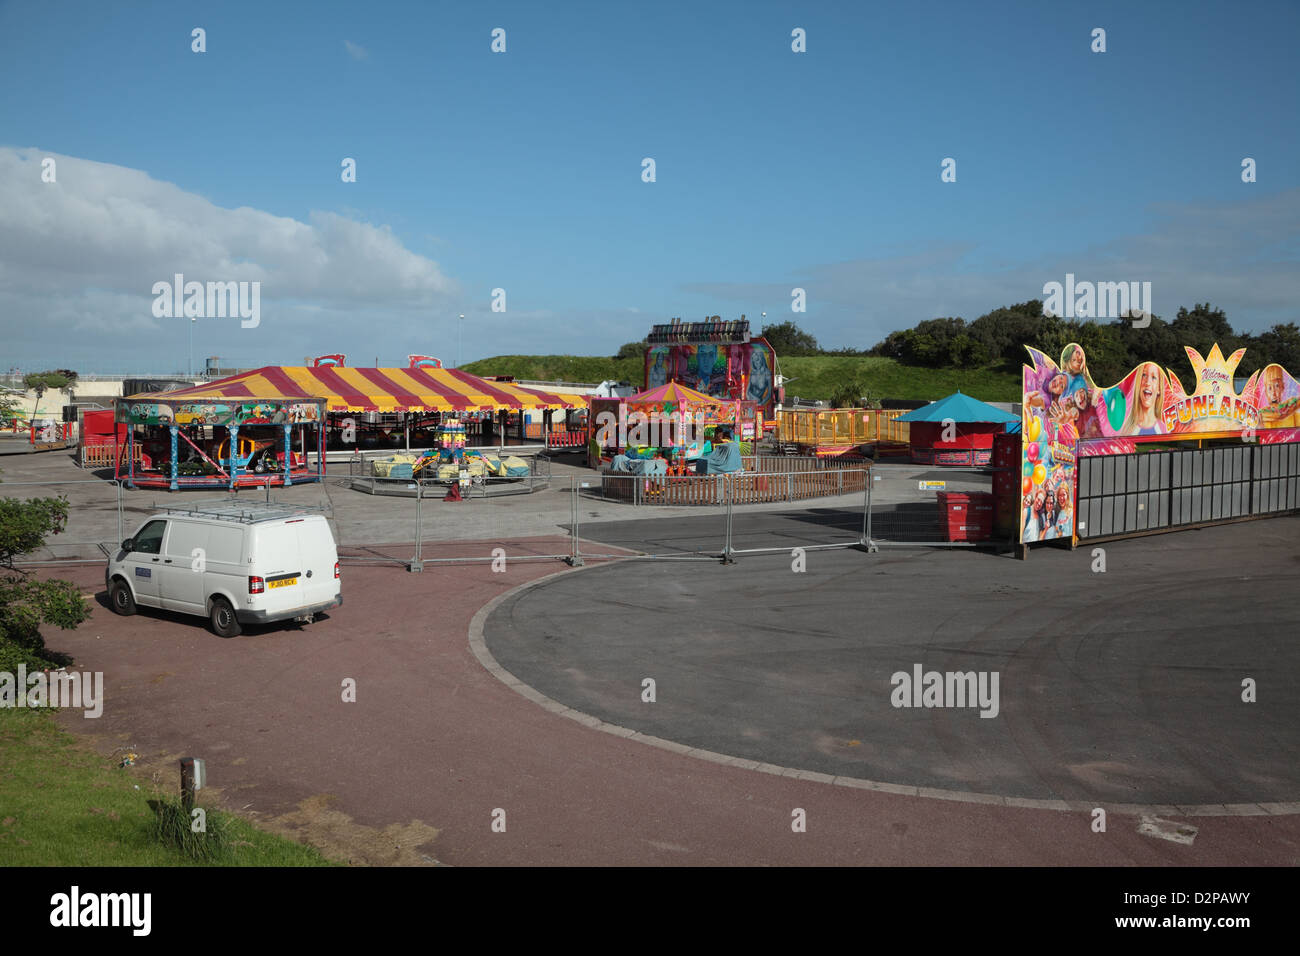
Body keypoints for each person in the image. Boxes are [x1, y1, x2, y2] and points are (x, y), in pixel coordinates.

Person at [1119, 362, 1166, 436]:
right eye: (1144, 375)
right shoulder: (1127, 429)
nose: (1147, 382)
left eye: (1153, 377)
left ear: (1159, 389)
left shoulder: (1163, 429)